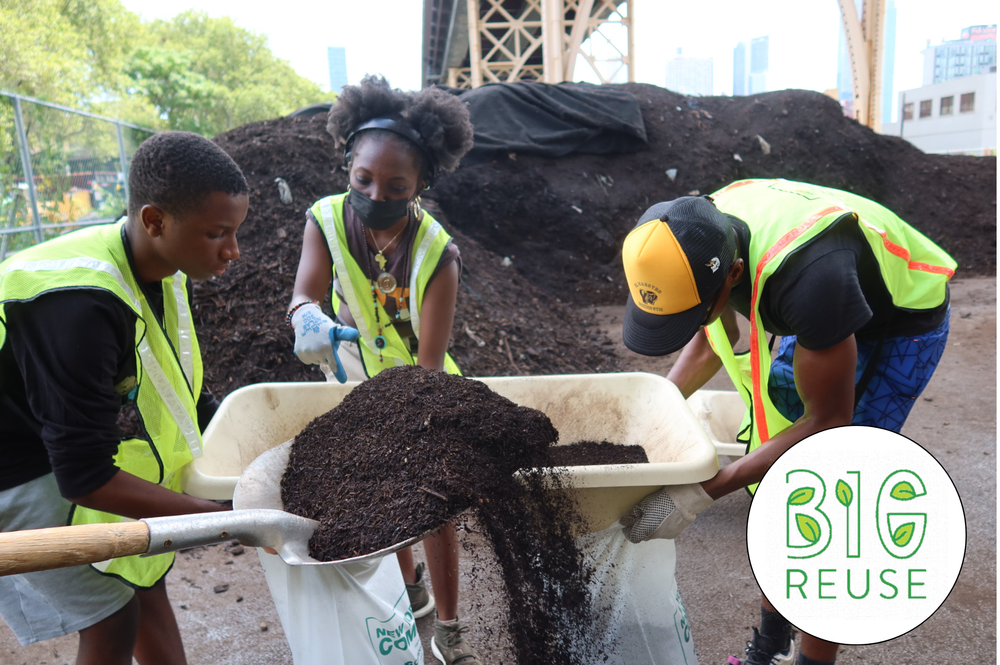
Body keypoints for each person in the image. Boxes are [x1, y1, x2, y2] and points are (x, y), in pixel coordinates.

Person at [617, 178, 954, 665]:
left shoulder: (811, 283)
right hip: (821, 297)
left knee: (837, 496)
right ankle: (770, 646)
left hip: (899, 316)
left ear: (733, 274)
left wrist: (699, 493)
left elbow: (829, 421)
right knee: (786, 478)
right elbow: (711, 335)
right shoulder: (689, 229)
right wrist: (650, 416)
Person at [0, 131, 248, 664]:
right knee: (111, 616)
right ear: (155, 221)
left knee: (139, 577)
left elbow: (182, 391)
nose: (234, 251)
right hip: (13, 466)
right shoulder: (79, 305)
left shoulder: (163, 268)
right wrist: (219, 518)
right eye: (217, 234)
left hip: (44, 435)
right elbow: (84, 476)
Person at [287, 75, 480, 665]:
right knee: (378, 495)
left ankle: (449, 630)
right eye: (362, 179)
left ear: (421, 183)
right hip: (351, 372)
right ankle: (411, 588)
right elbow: (306, 293)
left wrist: (404, 421)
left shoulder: (436, 254)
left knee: (428, 499)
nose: (376, 193)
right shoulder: (324, 220)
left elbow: (427, 364)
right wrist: (306, 319)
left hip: (423, 385)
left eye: (396, 185)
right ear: (347, 163)